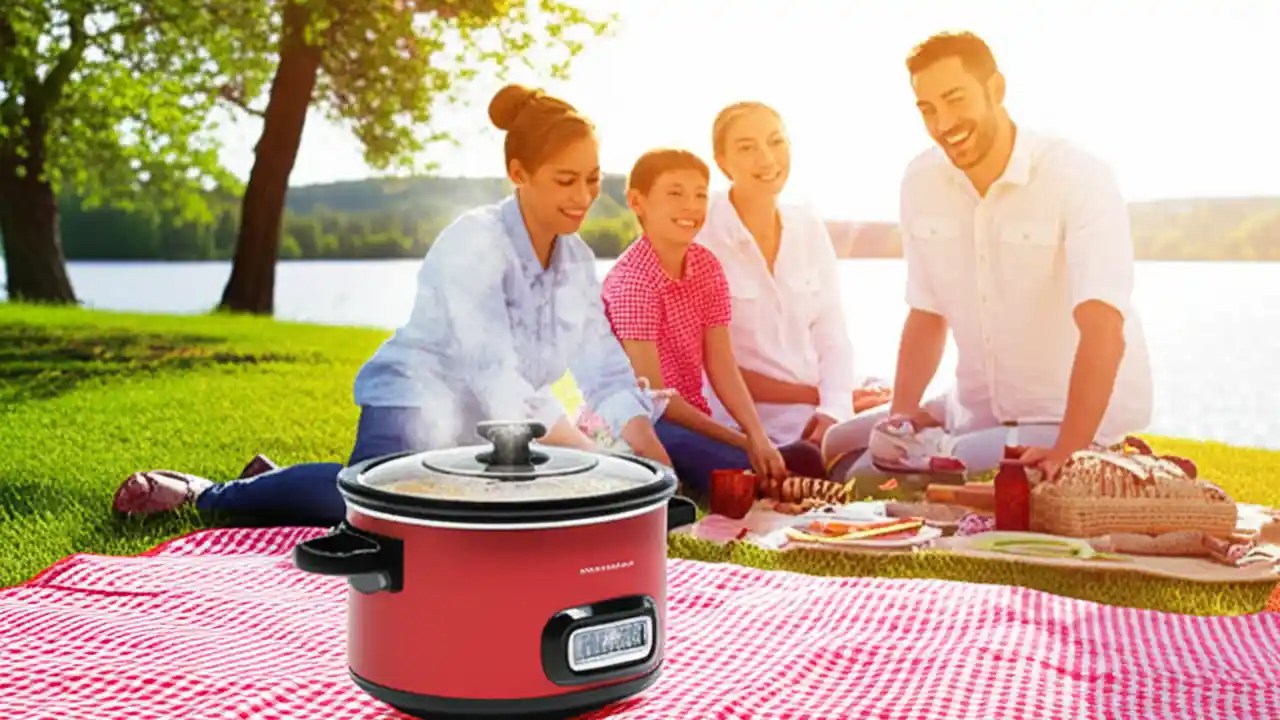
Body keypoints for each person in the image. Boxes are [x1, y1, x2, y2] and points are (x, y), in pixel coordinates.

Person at [112, 84, 673, 525]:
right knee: (383, 512)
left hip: (489, 425)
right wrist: (594, 462)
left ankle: (285, 482)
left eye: (594, 180)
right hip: (417, 398)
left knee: (492, 519)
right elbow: (495, 374)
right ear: (518, 174)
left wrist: (647, 456)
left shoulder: (574, 261)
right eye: (566, 180)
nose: (582, 198)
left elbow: (602, 365)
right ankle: (213, 496)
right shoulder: (474, 241)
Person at [822, 30, 1153, 482]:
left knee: (866, 479)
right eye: (928, 109)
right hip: (973, 405)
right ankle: (922, 446)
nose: (943, 123)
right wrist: (899, 419)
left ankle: (940, 456)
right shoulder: (922, 180)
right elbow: (926, 313)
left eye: (955, 99)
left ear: (995, 90)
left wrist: (1067, 452)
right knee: (836, 443)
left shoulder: (1076, 176)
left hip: (1061, 418)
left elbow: (1104, 330)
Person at [599, 148, 828, 496]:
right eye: (675, 193)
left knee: (806, 458)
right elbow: (656, 398)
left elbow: (721, 363)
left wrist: (758, 435)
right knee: (745, 476)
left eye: (700, 195)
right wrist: (743, 441)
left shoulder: (706, 266)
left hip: (691, 421)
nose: (690, 206)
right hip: (641, 427)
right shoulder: (633, 282)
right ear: (637, 201)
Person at [694, 101, 886, 453]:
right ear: (722, 162)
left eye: (776, 142)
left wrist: (834, 408)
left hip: (817, 401)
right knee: (823, 453)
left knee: (906, 416)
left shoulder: (805, 222)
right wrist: (812, 396)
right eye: (746, 147)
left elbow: (832, 332)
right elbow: (708, 365)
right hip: (748, 413)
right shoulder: (702, 232)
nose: (766, 158)